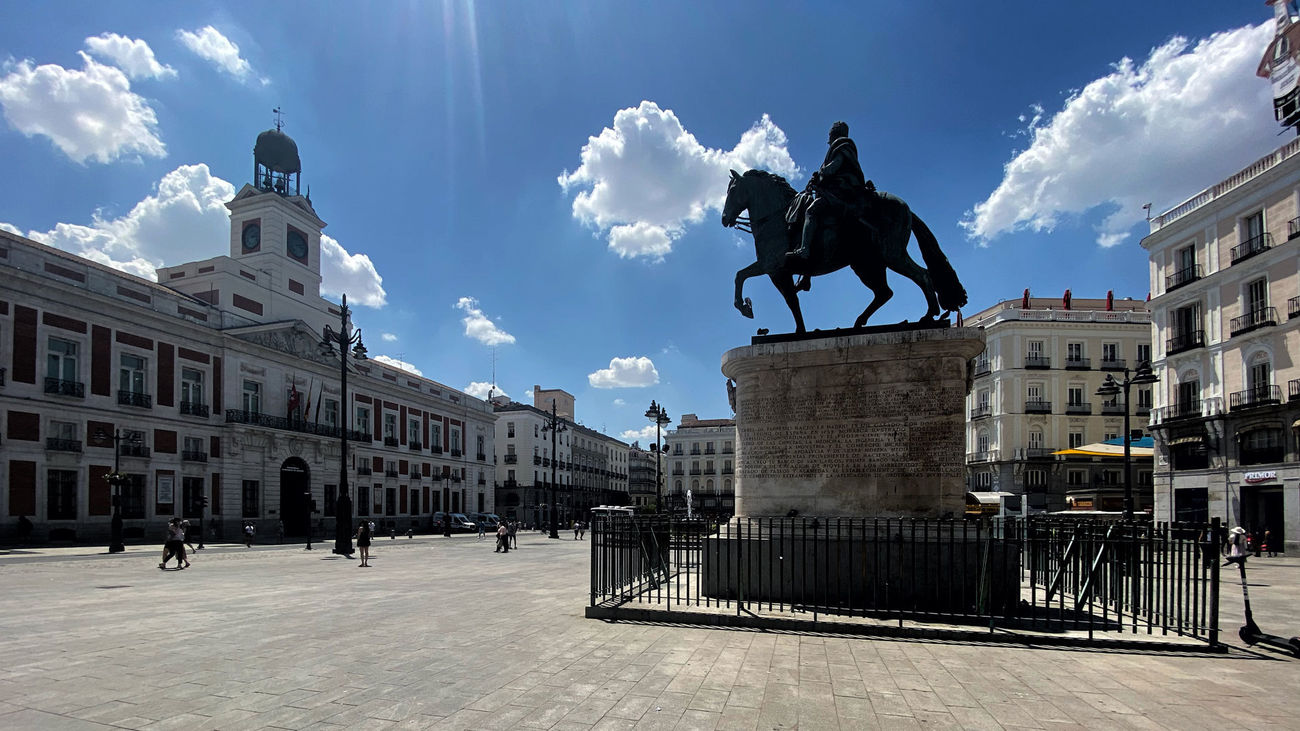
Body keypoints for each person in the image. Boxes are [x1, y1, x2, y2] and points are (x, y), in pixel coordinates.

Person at [785, 120, 870, 292]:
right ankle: (806, 277)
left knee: (811, 211)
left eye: (830, 133)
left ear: (836, 133)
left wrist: (822, 173)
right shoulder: (842, 146)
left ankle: (804, 250)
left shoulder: (842, 146)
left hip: (840, 193)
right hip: (836, 191)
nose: (828, 138)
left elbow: (834, 167)